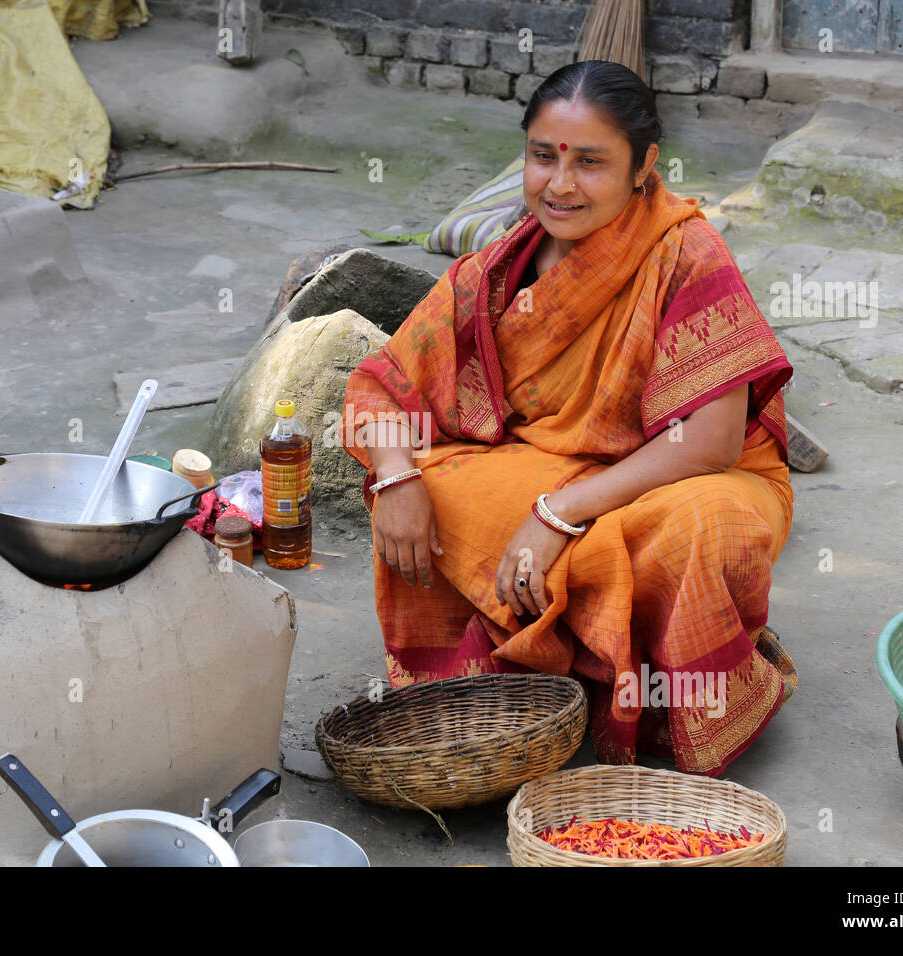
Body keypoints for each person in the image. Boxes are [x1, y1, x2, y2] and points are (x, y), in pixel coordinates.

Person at [340, 61, 797, 776]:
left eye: (590, 163)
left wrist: (559, 514)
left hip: (684, 479)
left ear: (644, 165)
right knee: (427, 482)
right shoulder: (494, 270)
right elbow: (380, 386)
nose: (559, 184)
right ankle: (554, 669)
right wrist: (395, 476)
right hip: (553, 468)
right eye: (543, 156)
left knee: (702, 529)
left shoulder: (687, 252)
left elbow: (711, 441)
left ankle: (646, 686)